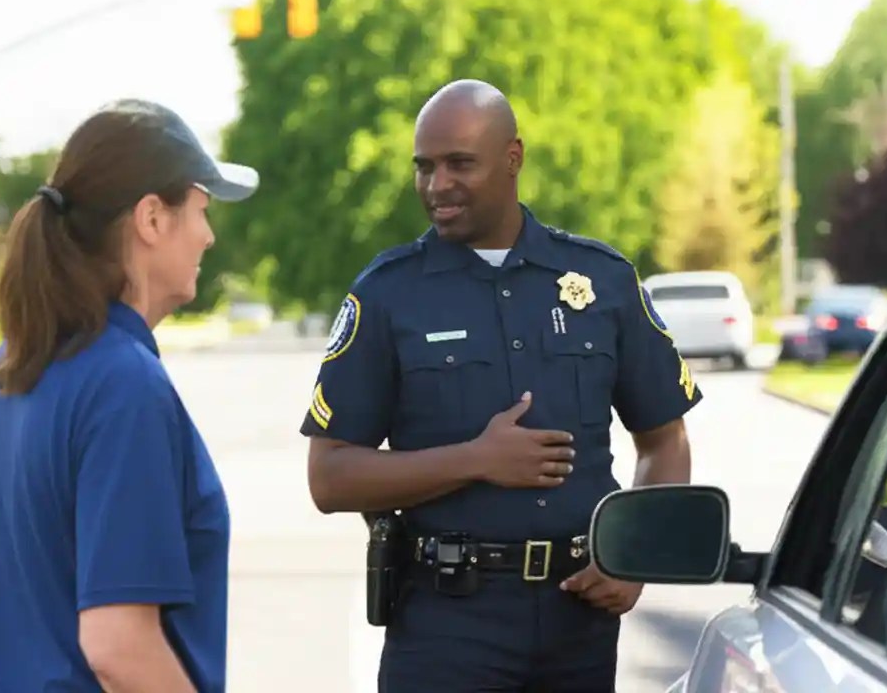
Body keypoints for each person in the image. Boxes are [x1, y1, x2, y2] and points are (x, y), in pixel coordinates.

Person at [301, 79, 703, 691]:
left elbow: (663, 440)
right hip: (445, 624)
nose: (437, 185)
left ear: (512, 159)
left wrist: (635, 555)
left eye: (460, 164)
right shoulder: (388, 294)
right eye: (425, 167)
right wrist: (475, 460)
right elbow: (330, 478)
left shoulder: (601, 279)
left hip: (580, 624)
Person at [0, 99, 259, 693]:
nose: (208, 236)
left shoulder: (10, 368)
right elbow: (118, 647)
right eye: (202, 209)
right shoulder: (123, 385)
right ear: (152, 219)